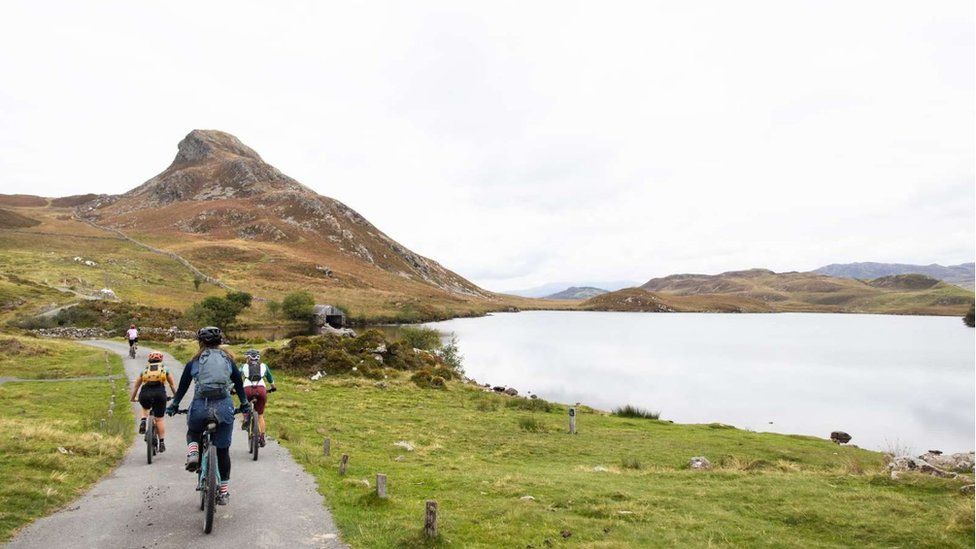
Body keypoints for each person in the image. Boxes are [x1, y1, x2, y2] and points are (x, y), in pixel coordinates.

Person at [166, 327, 249, 506]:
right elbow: (239, 384)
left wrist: (174, 405)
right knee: (223, 451)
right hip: (223, 408)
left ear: (200, 342)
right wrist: (244, 404)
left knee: (193, 431)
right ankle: (223, 492)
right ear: (220, 342)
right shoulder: (228, 359)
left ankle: (193, 452)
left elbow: (182, 387)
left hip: (200, 407)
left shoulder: (194, 362)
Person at [129, 351, 177, 452]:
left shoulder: (144, 370)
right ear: (161, 359)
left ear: (149, 359)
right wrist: (175, 397)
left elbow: (136, 386)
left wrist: (133, 398)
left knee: (145, 407)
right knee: (159, 419)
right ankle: (162, 443)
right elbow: (172, 385)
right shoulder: (165, 369)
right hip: (160, 394)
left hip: (145, 394)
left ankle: (143, 421)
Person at [239, 349, 276, 447]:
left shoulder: (243, 366)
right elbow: (270, 379)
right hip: (261, 390)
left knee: (244, 404)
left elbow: (237, 379)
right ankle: (262, 438)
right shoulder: (264, 366)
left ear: (248, 358)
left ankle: (246, 418)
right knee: (260, 415)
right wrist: (273, 387)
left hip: (247, 390)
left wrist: (232, 389)